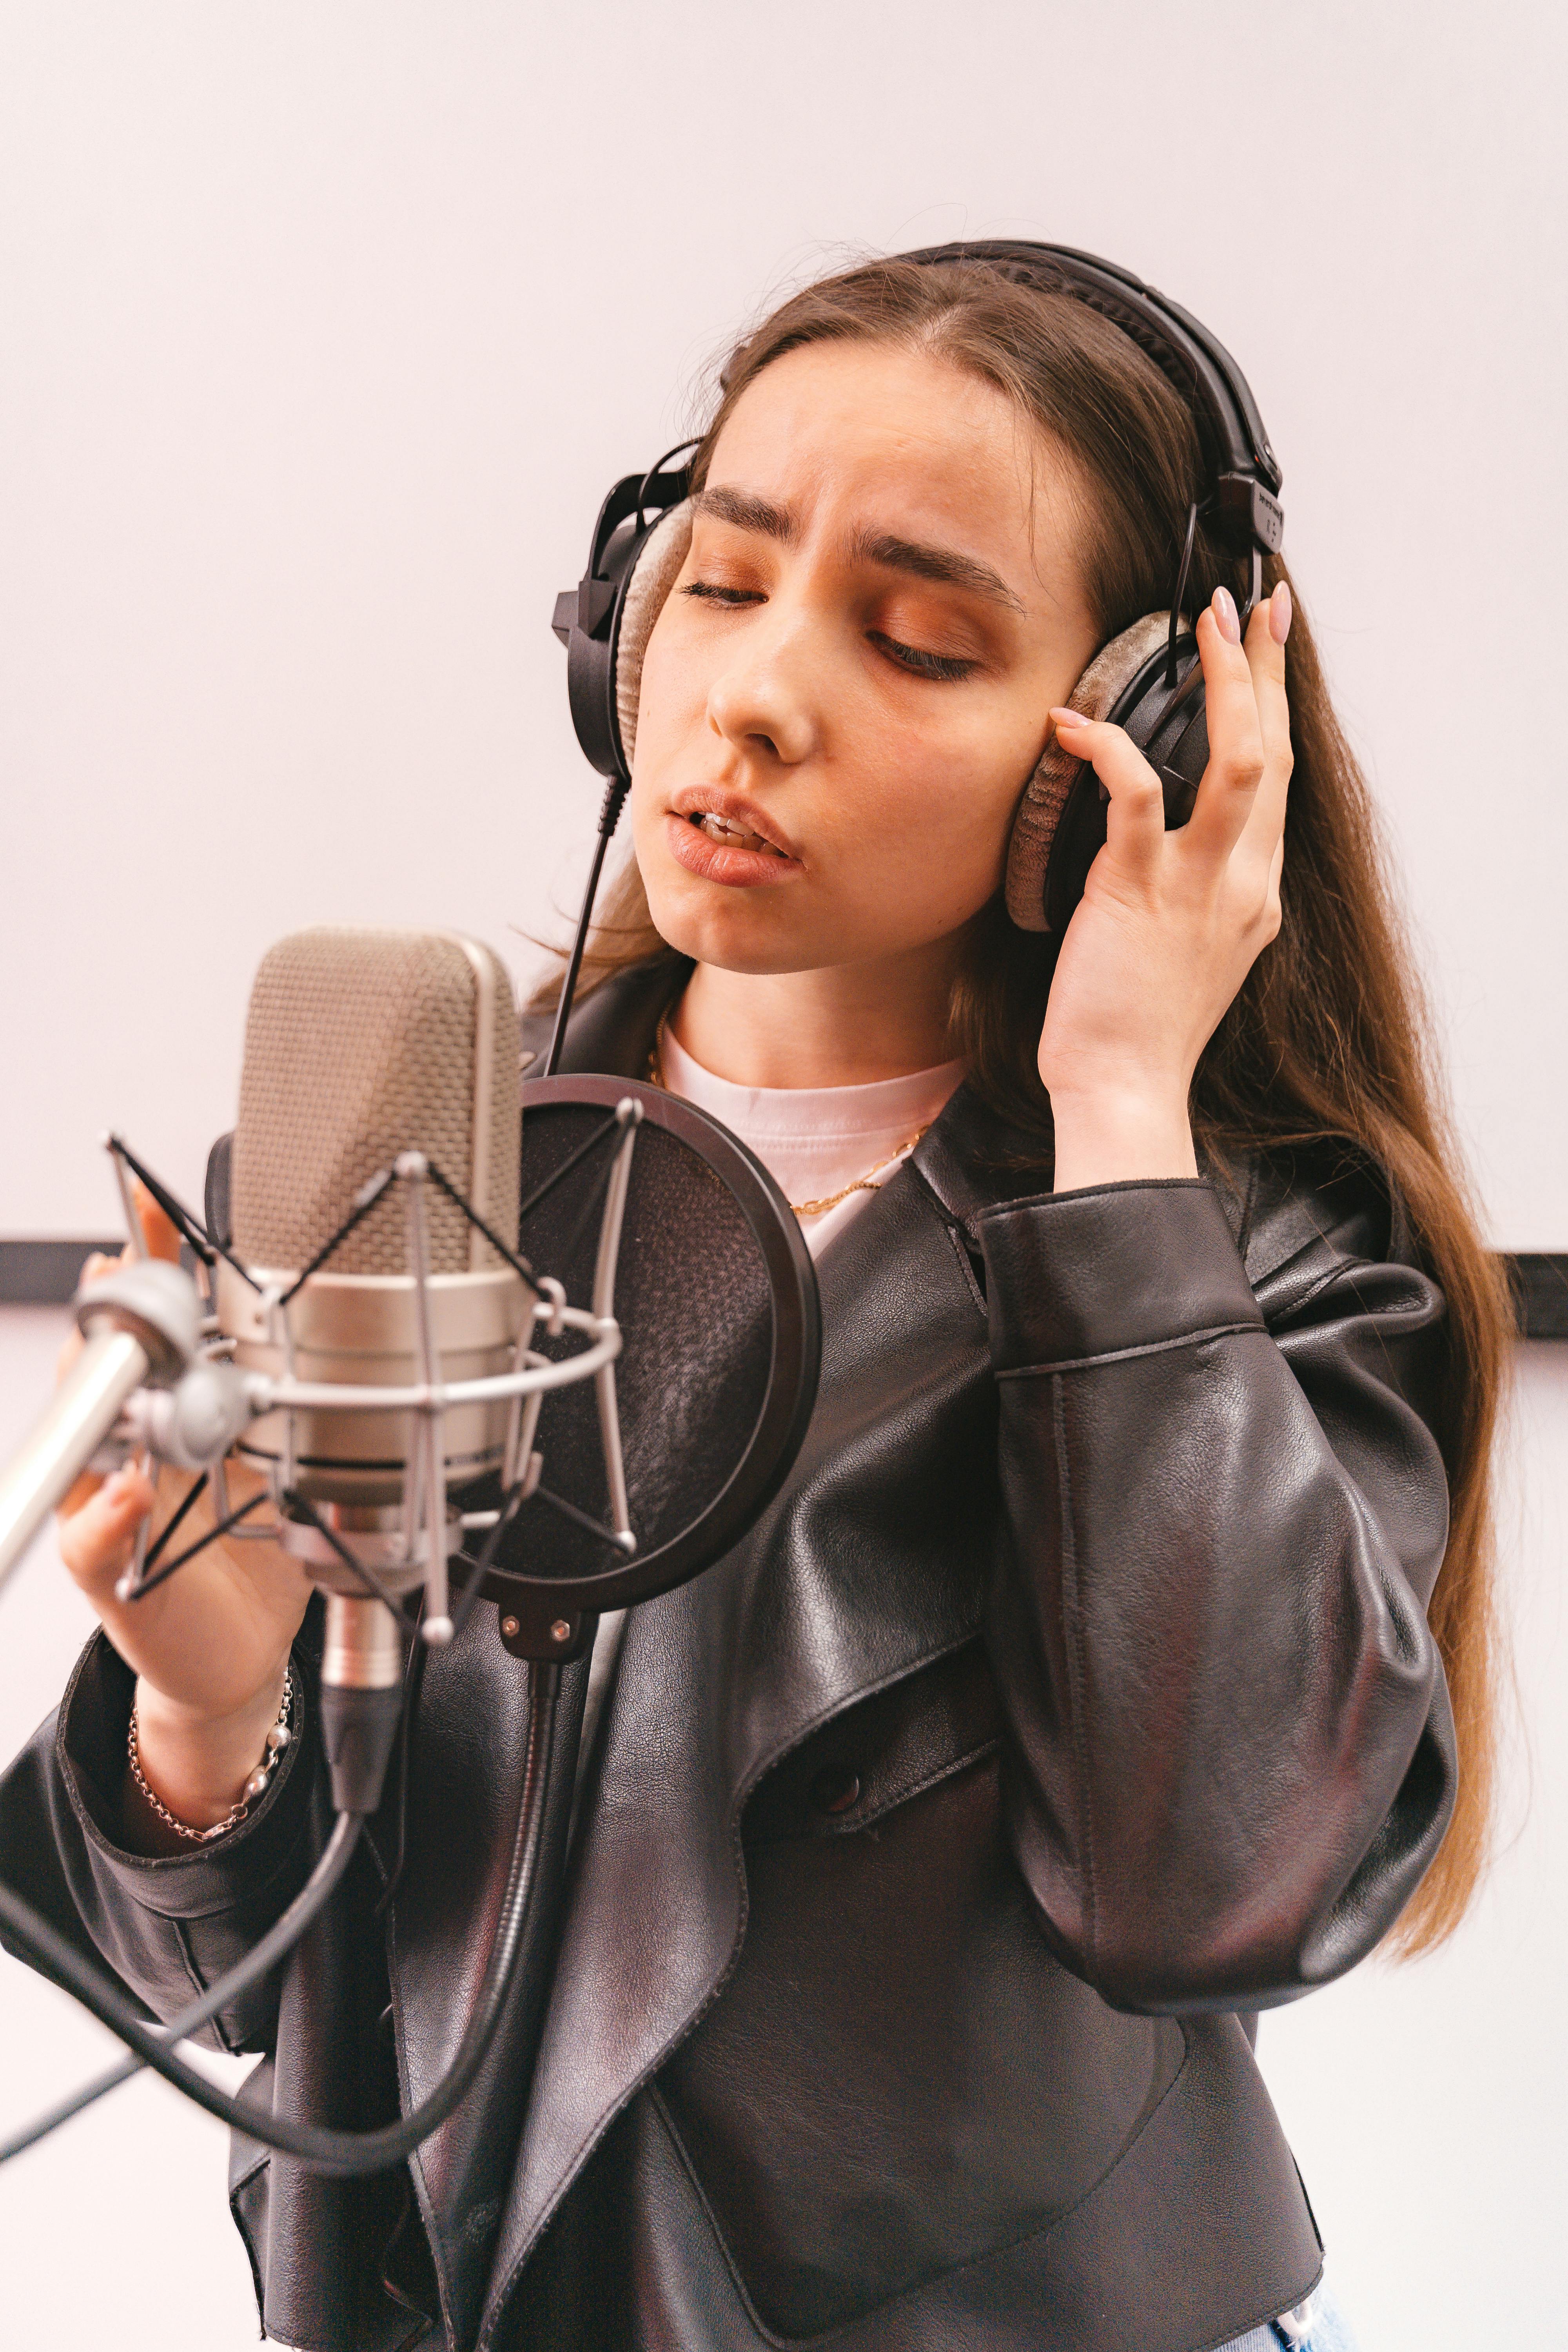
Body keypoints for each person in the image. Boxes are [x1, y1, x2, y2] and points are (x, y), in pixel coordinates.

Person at [0, 255, 1509, 2352]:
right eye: (718, 585)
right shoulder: (386, 1180)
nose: (756, 697)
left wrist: (1121, 1109)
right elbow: (195, 1982)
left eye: (914, 637)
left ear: (1133, 739)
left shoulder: (1249, 1258)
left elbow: (1215, 1894)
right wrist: (201, 1705)